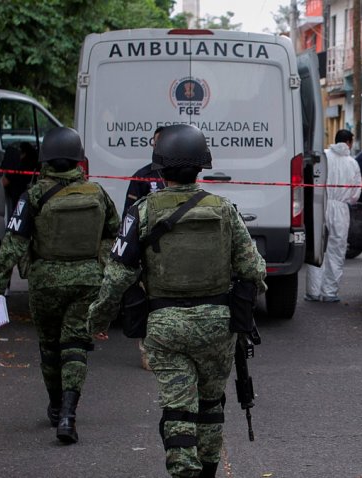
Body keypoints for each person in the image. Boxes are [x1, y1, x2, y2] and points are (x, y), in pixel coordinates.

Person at [87, 124, 267, 477]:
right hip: (218, 327)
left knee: (178, 411)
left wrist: (97, 319)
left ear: (158, 166)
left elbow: (118, 275)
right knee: (211, 407)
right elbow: (254, 272)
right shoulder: (225, 209)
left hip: (166, 328)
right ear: (202, 165)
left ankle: (184, 471)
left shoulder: (141, 211)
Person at [0, 127, 120, 444]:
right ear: (78, 160)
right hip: (87, 281)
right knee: (74, 346)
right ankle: (69, 414)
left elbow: (15, 242)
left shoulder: (32, 196)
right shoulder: (97, 193)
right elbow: (114, 233)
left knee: (49, 347)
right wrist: (102, 267)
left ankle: (56, 406)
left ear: (44, 160)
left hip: (45, 282)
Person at [124, 126, 165, 370]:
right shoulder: (141, 176)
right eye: (155, 142)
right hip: (147, 253)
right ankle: (147, 351)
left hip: (173, 255)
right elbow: (128, 218)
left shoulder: (180, 176)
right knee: (146, 303)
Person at [305, 129, 361, 303]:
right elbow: (355, 193)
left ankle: (313, 291)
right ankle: (329, 292)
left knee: (317, 248)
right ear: (349, 142)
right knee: (336, 250)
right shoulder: (352, 163)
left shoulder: (322, 157)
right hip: (341, 208)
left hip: (320, 205)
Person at [123, 126, 166, 218]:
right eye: (155, 143)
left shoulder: (181, 173)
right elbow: (129, 214)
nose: (155, 146)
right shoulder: (141, 176)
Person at [0, 141, 39, 218]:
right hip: (31, 203)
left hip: (18, 202)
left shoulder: (17, 167)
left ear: (23, 154)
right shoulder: (34, 166)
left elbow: (4, 182)